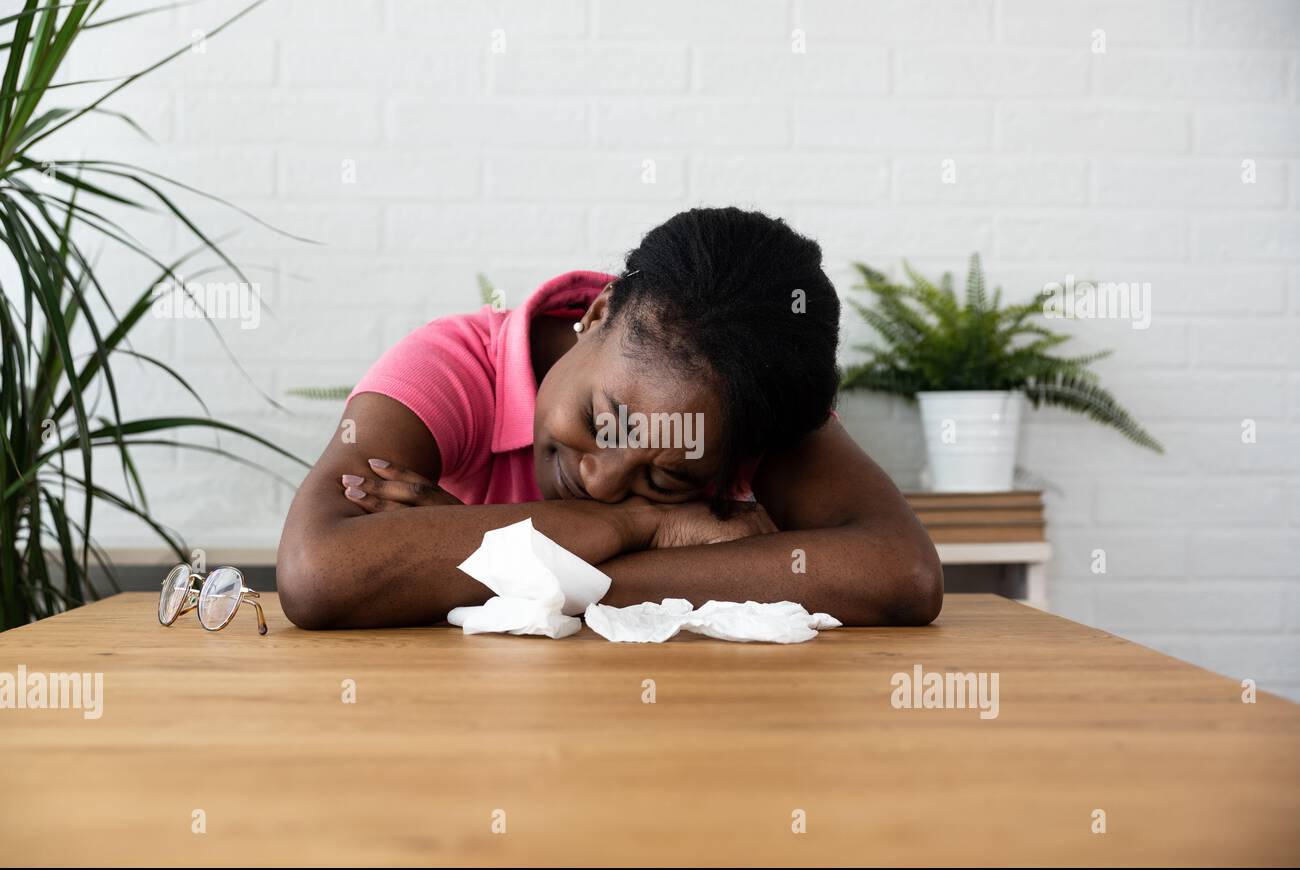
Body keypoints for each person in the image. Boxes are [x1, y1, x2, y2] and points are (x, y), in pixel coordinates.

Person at [277, 207, 942, 629]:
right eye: (602, 420)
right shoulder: (454, 365)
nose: (599, 479)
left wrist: (542, 577)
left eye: (667, 479)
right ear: (594, 315)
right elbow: (318, 572)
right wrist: (639, 522)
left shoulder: (753, 398)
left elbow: (899, 573)